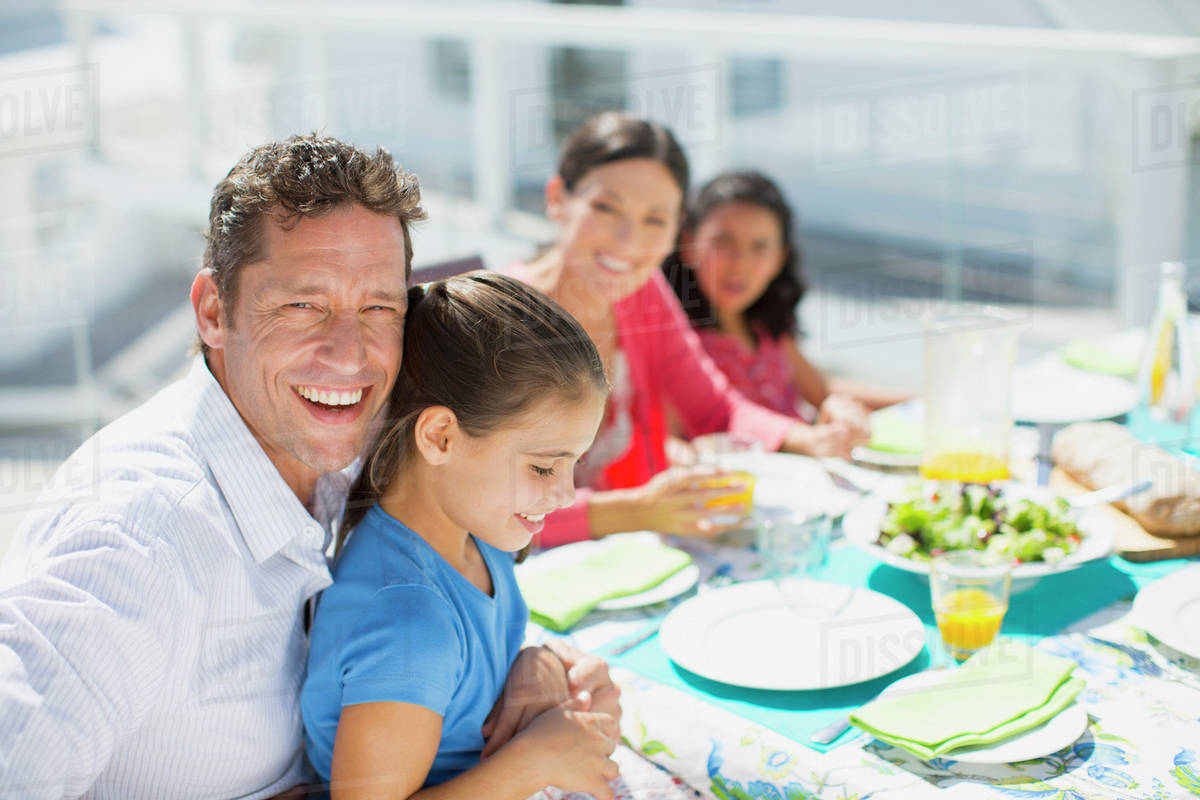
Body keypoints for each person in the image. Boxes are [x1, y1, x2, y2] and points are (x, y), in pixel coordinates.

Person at [0, 135, 616, 799]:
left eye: (379, 306)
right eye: (304, 304)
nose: (350, 354)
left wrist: (536, 664)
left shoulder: (346, 437)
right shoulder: (138, 541)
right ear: (214, 310)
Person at [300, 272, 618, 799]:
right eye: (544, 468)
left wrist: (534, 663)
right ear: (440, 437)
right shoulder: (409, 623)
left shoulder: (477, 536)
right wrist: (535, 760)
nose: (565, 494)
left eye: (573, 465)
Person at [505, 113, 866, 548]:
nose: (628, 240)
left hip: (639, 557)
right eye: (605, 207)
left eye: (655, 220)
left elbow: (716, 409)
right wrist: (636, 510)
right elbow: (485, 507)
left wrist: (813, 438)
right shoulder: (501, 318)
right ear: (558, 197)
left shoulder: (642, 291)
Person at [664, 170, 909, 420]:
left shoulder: (768, 329)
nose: (740, 263)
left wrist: (918, 401)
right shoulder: (675, 338)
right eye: (724, 242)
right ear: (689, 245)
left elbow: (823, 392)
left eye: (759, 247)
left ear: (779, 259)